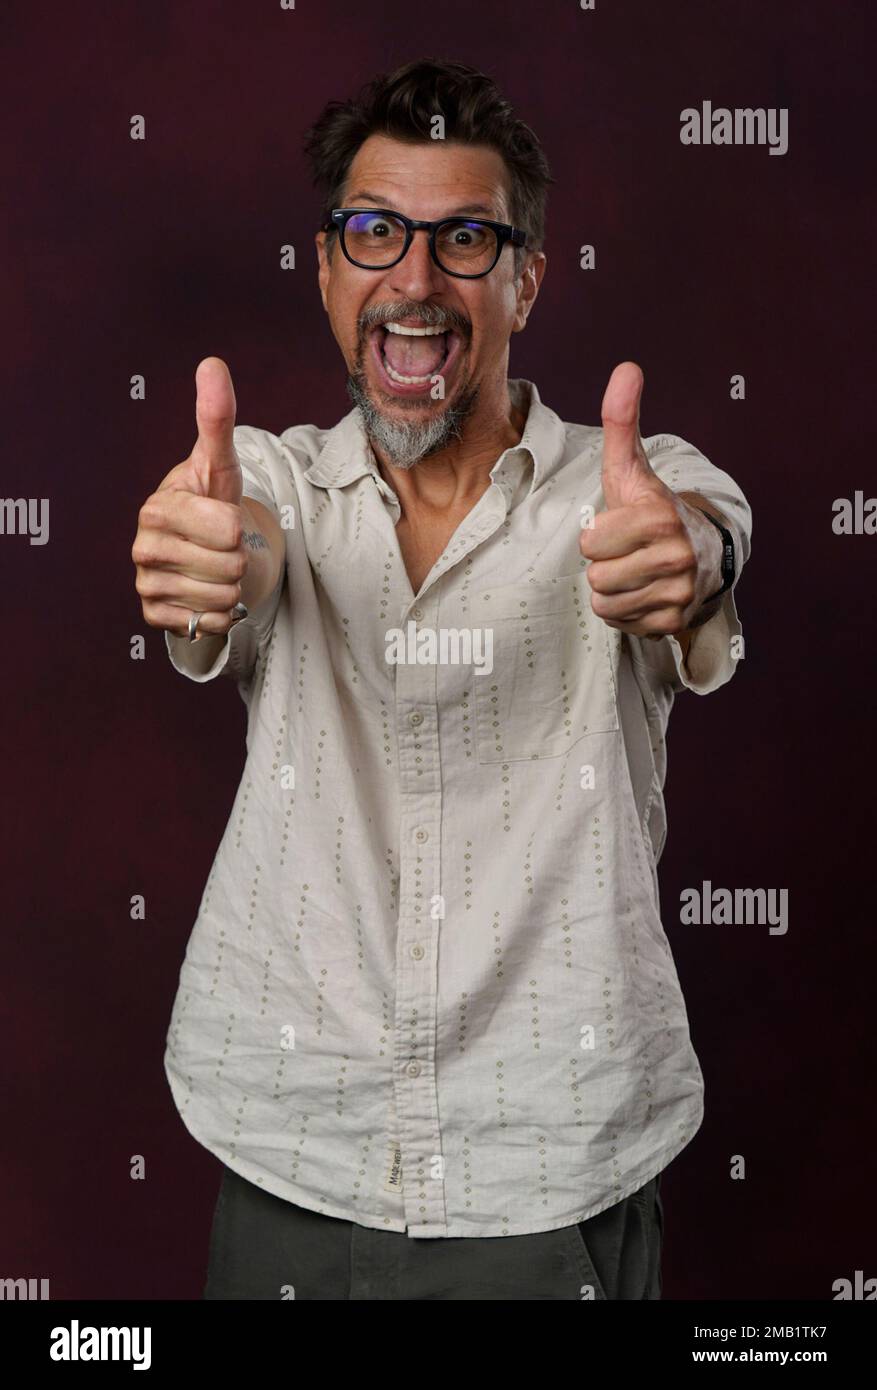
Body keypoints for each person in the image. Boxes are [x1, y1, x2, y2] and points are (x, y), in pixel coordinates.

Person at [131, 57, 751, 1300]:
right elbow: (228, 545)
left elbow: (697, 540)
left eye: (464, 238)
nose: (414, 279)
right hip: (293, 1151)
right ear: (324, 269)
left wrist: (681, 562)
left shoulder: (628, 488)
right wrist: (202, 562)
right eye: (375, 232)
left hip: (550, 1174)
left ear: (526, 274)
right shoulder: (273, 483)